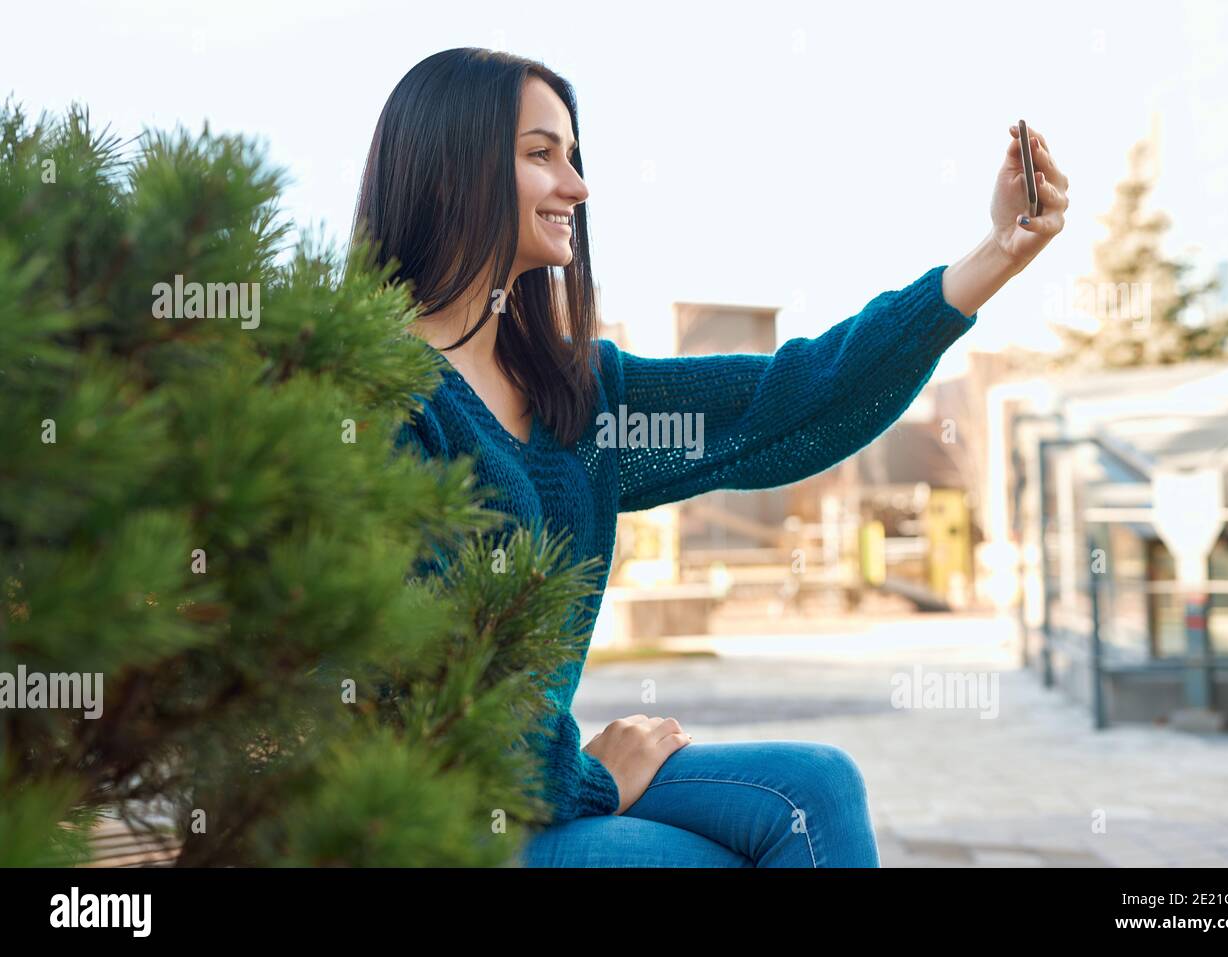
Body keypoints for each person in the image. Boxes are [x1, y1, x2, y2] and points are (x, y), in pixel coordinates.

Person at [351, 48, 1068, 866]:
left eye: (574, 158)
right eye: (541, 154)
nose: (577, 188)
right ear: (453, 167)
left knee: (819, 788)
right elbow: (413, 689)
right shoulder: (383, 399)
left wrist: (994, 255)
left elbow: (794, 397)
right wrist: (588, 783)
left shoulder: (579, 398)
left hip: (543, 784)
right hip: (435, 822)